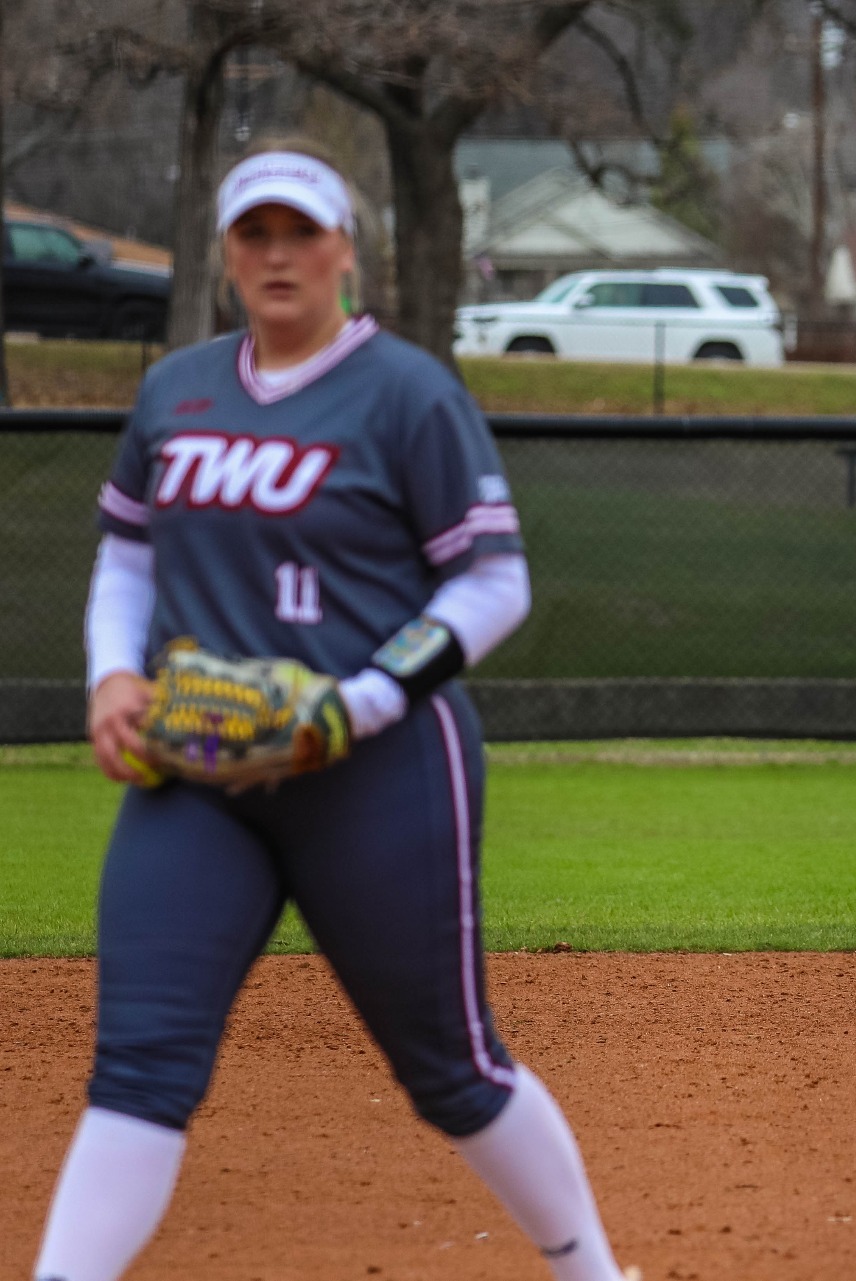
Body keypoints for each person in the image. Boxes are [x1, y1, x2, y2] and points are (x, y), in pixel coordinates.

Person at [37, 144, 631, 1281]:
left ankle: (589, 1271)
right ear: (224, 254)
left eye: (299, 233)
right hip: (200, 774)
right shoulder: (178, 389)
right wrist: (114, 674)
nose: (276, 256)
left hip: (381, 771)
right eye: (253, 235)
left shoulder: (408, 394)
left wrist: (360, 701)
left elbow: (493, 582)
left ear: (343, 250)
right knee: (139, 1069)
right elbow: (126, 552)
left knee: (450, 1069)